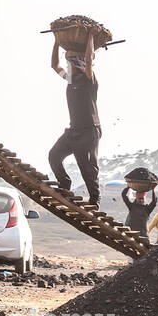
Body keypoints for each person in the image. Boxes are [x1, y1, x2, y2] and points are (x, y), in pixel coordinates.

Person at [48, 34, 101, 208]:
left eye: (71, 63)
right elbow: (54, 65)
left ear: (77, 63)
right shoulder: (70, 79)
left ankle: (95, 200)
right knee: (54, 155)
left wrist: (90, 36)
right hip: (73, 131)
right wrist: (56, 42)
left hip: (89, 131)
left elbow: (88, 59)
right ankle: (64, 184)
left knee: (86, 166)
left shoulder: (88, 80)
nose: (68, 66)